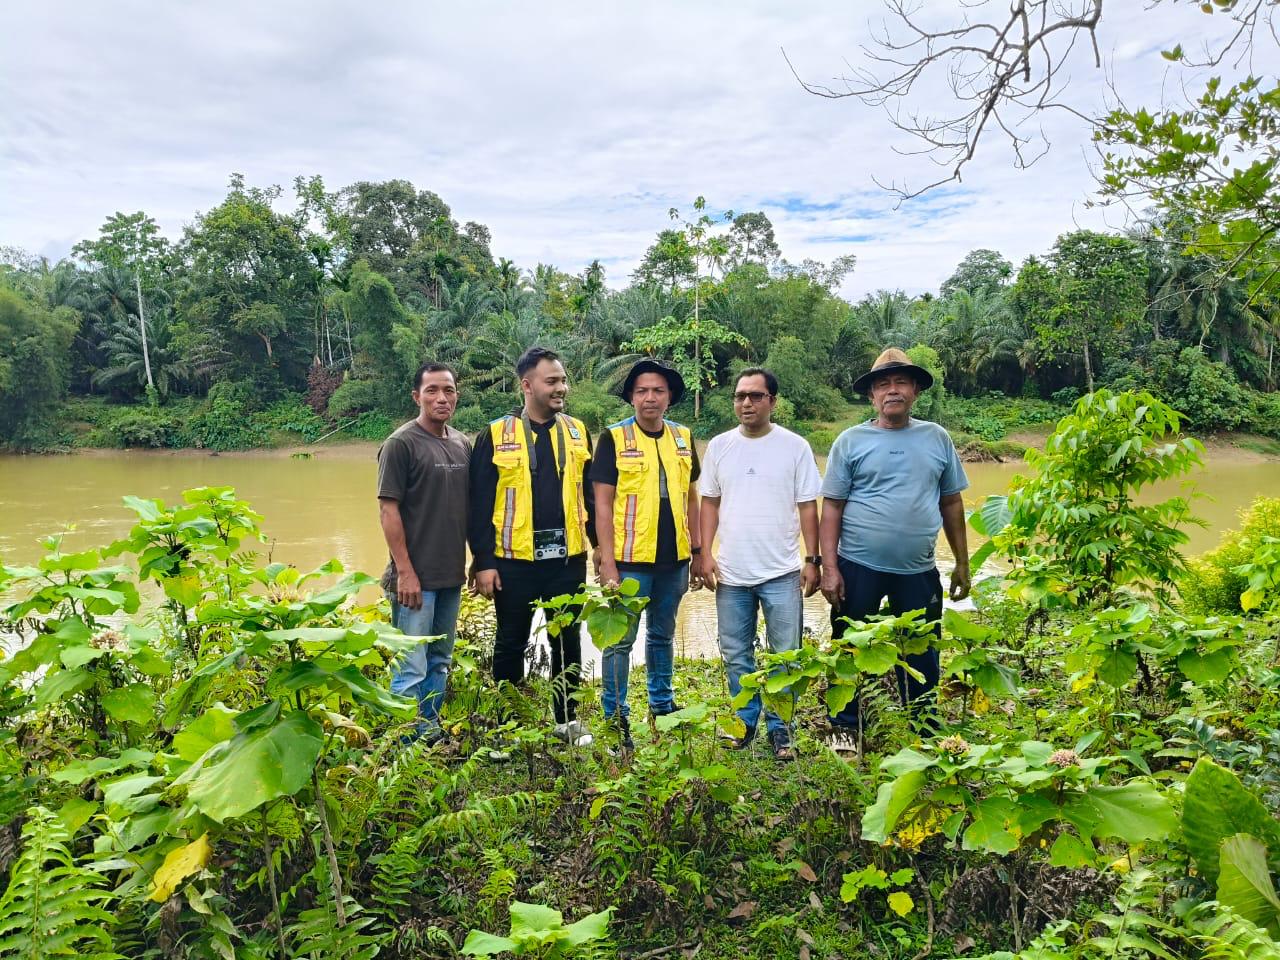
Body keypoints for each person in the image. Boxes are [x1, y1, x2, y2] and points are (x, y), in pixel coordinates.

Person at [819, 348, 971, 753]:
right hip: (858, 564)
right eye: (882, 384)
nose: (892, 390)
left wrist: (962, 562)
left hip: (918, 569)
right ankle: (844, 726)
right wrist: (829, 567)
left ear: (916, 390)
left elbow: (951, 502)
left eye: (900, 381)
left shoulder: (937, 437)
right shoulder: (850, 441)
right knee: (850, 644)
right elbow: (831, 506)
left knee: (923, 648)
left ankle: (922, 725)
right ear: (871, 395)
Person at [469, 346, 596, 747]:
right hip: (513, 561)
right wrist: (483, 562)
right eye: (552, 381)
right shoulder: (495, 434)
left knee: (567, 639)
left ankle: (567, 720)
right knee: (510, 640)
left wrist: (602, 555)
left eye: (563, 380)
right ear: (527, 385)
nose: (562, 387)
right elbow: (478, 503)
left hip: (568, 559)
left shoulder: (578, 431)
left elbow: (592, 498)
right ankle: (510, 724)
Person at [697, 368, 821, 762]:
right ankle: (743, 723)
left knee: (785, 653)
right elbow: (709, 503)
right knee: (736, 653)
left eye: (755, 396)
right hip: (731, 573)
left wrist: (812, 559)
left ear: (772, 401)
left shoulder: (795, 446)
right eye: (739, 396)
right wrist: (704, 553)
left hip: (782, 572)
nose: (746, 403)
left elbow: (808, 507)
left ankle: (782, 730)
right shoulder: (719, 446)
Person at [592, 358, 702, 750]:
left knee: (662, 635)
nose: (649, 398)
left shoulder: (683, 438)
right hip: (628, 561)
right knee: (619, 641)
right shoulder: (614, 439)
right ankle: (615, 717)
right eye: (641, 391)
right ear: (631, 397)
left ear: (669, 397)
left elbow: (691, 497)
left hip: (674, 561)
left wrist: (699, 551)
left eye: (657, 390)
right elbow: (601, 505)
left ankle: (662, 704)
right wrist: (606, 561)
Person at [377, 362, 472, 744]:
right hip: (413, 581)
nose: (441, 398)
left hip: (450, 576)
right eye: (432, 390)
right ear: (417, 396)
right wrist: (406, 572)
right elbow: (388, 510)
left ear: (457, 396)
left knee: (439, 662)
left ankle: (428, 732)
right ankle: (404, 747)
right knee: (410, 667)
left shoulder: (462, 443)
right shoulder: (401, 444)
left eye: (448, 390)